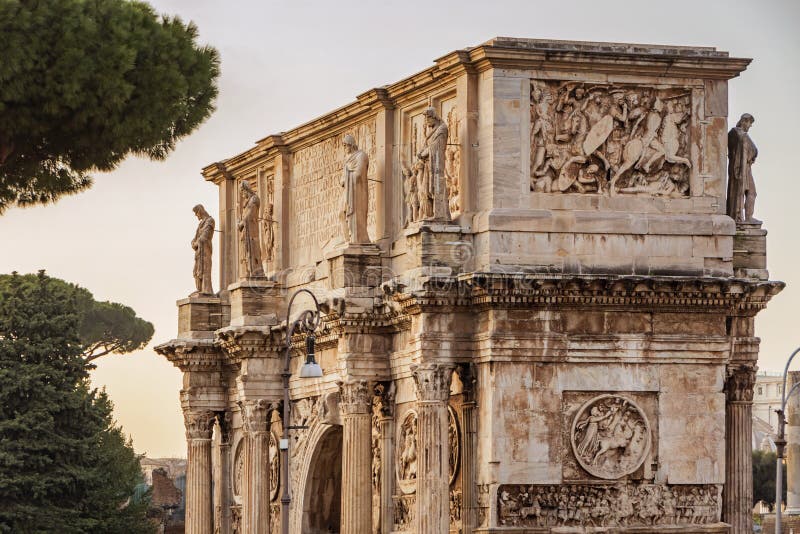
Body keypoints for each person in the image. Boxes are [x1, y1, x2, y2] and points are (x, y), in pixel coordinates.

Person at [417, 107, 450, 221]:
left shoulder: (442, 129)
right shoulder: (433, 130)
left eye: (427, 119)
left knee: (437, 185)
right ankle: (431, 213)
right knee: (426, 189)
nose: (426, 122)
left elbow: (436, 146)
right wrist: (421, 152)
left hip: (437, 163)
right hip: (428, 164)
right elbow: (427, 145)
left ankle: (440, 215)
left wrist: (425, 152)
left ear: (433, 117)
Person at [727, 113, 758, 222]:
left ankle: (748, 217)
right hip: (741, 168)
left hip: (745, 167)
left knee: (751, 192)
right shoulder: (738, 133)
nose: (750, 126)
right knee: (752, 192)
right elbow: (749, 149)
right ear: (744, 121)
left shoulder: (738, 134)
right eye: (750, 123)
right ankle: (747, 217)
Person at [340, 134, 370, 243]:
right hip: (347, 190)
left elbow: (359, 174)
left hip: (357, 191)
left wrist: (347, 176)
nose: (344, 148)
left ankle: (356, 237)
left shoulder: (361, 156)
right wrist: (343, 179)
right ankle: (347, 238)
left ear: (351, 145)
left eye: (345, 145)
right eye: (343, 146)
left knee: (355, 214)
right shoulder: (346, 159)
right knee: (341, 213)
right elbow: (342, 177)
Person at [238, 181, 264, 277]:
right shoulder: (248, 201)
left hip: (252, 231)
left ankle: (255, 272)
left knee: (252, 250)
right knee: (246, 251)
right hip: (246, 231)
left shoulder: (254, 199)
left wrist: (241, 223)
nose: (242, 194)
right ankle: (248, 270)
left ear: (246, 189)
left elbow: (250, 214)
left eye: (242, 191)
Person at [191, 204, 214, 295]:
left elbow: (204, 237)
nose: (196, 216)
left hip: (205, 250)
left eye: (196, 213)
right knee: (196, 270)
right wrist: (194, 243)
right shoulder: (201, 224)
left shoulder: (210, 221)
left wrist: (196, 243)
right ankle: (199, 289)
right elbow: (194, 239)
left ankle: (206, 290)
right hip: (198, 252)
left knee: (205, 269)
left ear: (200, 211)